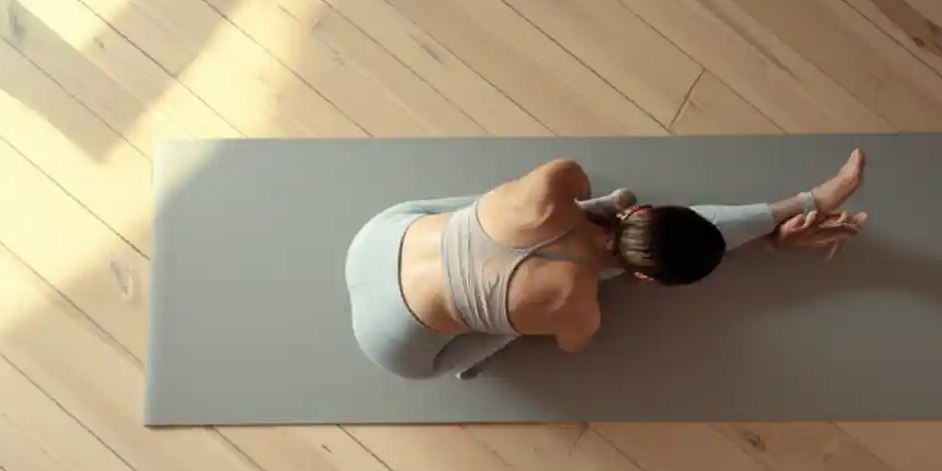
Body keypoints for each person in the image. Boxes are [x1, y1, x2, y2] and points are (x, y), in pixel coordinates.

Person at [345, 149, 868, 380]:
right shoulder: (578, 303)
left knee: (487, 216)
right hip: (395, 344)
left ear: (640, 209)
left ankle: (797, 205)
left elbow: (585, 199)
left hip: (379, 234)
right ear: (642, 278)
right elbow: (574, 343)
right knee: (522, 315)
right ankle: (790, 211)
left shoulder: (560, 178)